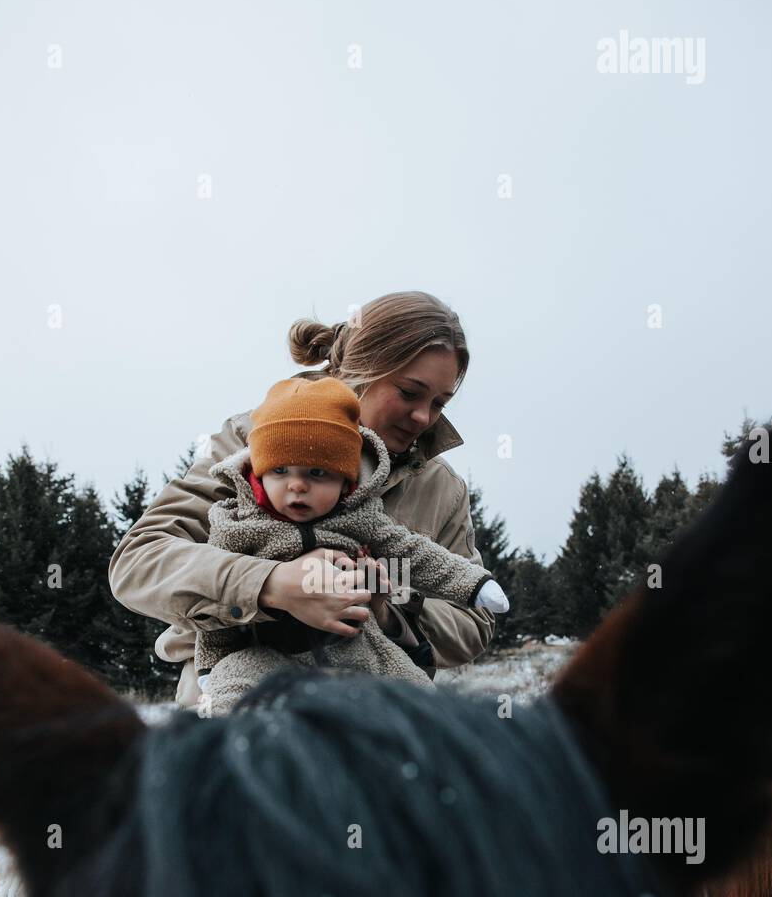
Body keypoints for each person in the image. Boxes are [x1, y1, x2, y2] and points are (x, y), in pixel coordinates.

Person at [109, 291, 498, 708]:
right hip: (239, 716)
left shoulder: (442, 488)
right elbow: (139, 563)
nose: (423, 417)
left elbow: (473, 622)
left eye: (439, 403)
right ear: (361, 368)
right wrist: (274, 585)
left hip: (377, 723)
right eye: (408, 392)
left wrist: (386, 611)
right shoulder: (250, 441)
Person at [193, 376, 508, 715]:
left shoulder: (362, 519)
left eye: (317, 473)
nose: (296, 486)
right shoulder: (237, 526)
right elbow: (216, 602)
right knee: (230, 695)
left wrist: (474, 584)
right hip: (265, 653)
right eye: (280, 470)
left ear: (345, 480)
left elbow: (416, 553)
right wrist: (212, 665)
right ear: (258, 473)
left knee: (419, 701)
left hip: (357, 648)